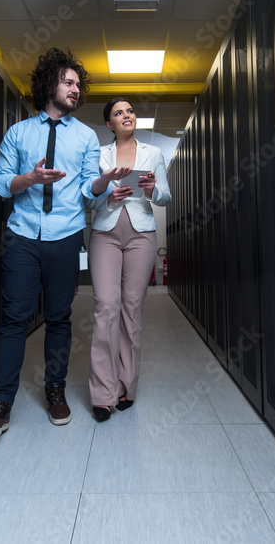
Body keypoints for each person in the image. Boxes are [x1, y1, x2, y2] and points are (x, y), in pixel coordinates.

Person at [0, 49, 130, 437]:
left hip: (65, 236)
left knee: (60, 318)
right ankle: (0, 404)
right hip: (24, 235)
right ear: (49, 85)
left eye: (79, 85)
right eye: (68, 82)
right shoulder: (19, 132)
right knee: (13, 318)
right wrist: (30, 179)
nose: (76, 89)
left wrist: (102, 180)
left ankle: (55, 391)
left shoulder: (86, 137)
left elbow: (88, 193)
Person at [87, 98, 171, 421]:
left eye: (130, 111)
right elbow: (88, 199)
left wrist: (150, 189)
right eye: (119, 113)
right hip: (105, 234)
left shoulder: (154, 153)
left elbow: (165, 196)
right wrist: (106, 195)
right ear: (109, 124)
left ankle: (126, 387)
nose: (127, 115)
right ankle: (102, 392)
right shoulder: (98, 155)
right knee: (106, 306)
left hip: (142, 235)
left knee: (131, 310)